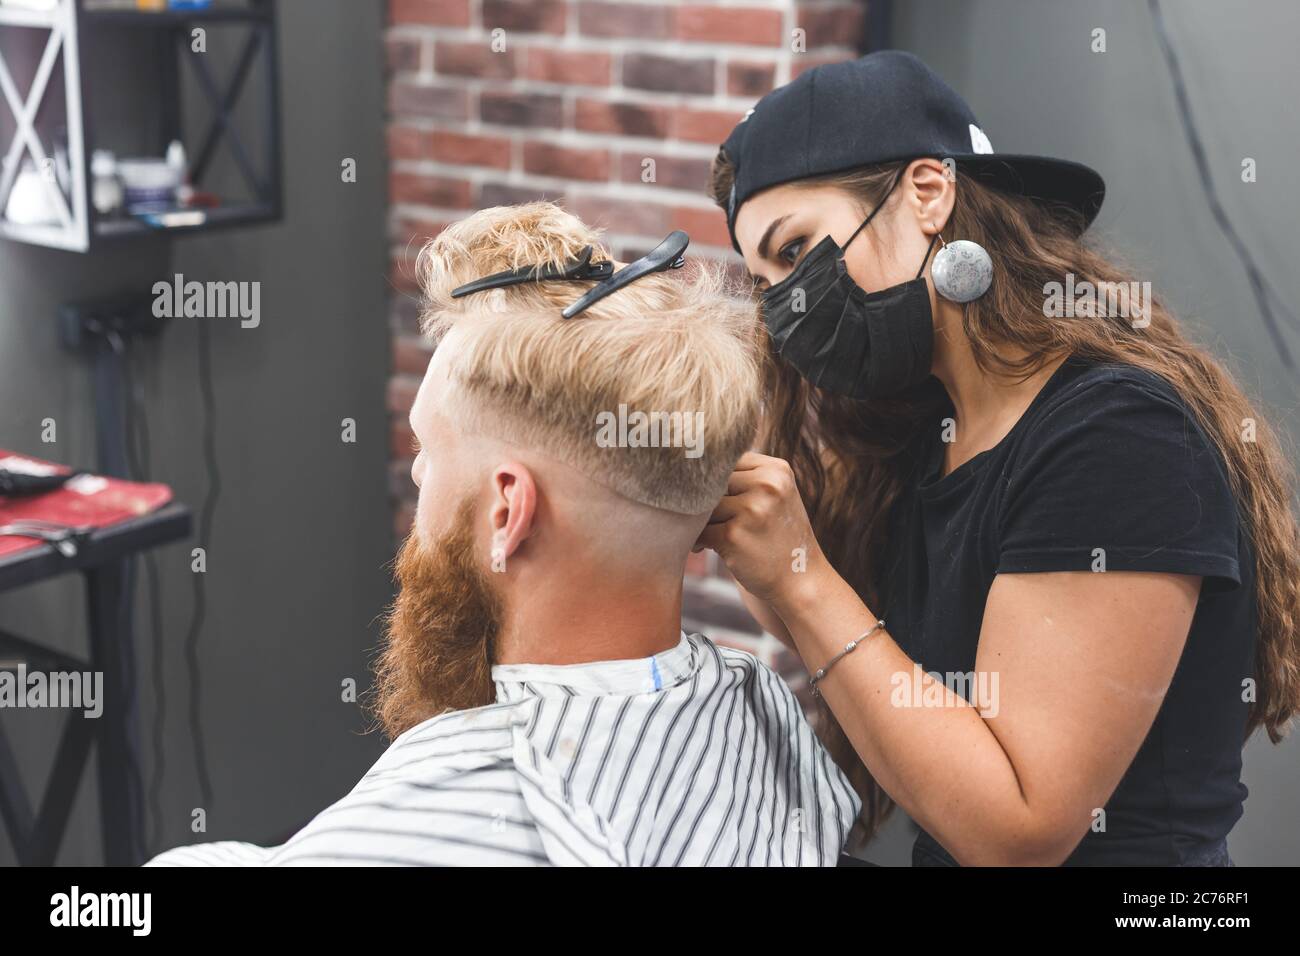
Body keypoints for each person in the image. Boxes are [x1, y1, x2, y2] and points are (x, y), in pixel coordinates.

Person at [697, 50, 1300, 866]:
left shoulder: (1117, 439)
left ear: (928, 194)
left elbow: (1018, 829)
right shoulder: (926, 434)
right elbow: (871, 663)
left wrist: (801, 581)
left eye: (797, 249)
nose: (785, 310)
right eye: (765, 282)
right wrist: (761, 555)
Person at [147, 202, 859, 867]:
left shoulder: (445, 805)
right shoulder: (760, 708)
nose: (421, 476)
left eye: (429, 448)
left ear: (508, 512)